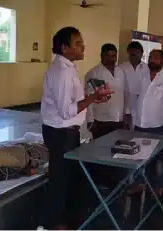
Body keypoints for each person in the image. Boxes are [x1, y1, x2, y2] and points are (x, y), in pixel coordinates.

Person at [41, 27, 114, 231]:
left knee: (69, 176)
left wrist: (94, 98)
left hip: (67, 131)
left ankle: (67, 216)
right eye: (78, 43)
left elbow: (74, 103)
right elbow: (66, 111)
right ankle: (55, 222)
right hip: (59, 133)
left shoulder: (69, 68)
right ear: (64, 48)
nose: (83, 47)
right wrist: (92, 98)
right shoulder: (61, 72)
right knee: (59, 178)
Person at [134, 49, 163, 187]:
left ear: (162, 61)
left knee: (158, 158)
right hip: (139, 124)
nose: (151, 60)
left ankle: (157, 186)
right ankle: (139, 184)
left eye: (155, 58)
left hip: (158, 126)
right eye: (150, 57)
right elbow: (137, 96)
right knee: (138, 156)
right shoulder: (141, 76)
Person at [86, 43, 125, 139]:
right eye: (108, 56)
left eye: (114, 56)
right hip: (101, 120)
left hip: (119, 118)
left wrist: (125, 115)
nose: (112, 59)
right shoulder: (94, 73)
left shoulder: (120, 71)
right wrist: (90, 120)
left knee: (117, 148)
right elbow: (89, 98)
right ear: (102, 56)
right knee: (100, 149)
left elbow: (124, 93)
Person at [120, 41, 150, 129]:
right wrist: (126, 111)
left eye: (136, 53)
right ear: (128, 53)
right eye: (131, 54)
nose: (133, 56)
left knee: (139, 131)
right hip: (125, 105)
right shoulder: (121, 68)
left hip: (142, 105)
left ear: (141, 54)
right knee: (126, 133)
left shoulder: (147, 68)